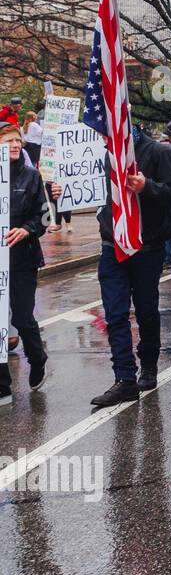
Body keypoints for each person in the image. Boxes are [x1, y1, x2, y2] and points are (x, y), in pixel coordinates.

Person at [84, 126, 171, 407]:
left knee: (146, 310)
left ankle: (149, 365)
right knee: (115, 313)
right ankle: (124, 378)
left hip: (147, 245)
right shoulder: (107, 156)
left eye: (106, 133)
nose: (103, 139)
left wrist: (147, 187)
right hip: (112, 244)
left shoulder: (158, 151)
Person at [0, 121, 49, 407]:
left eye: (17, 140)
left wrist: (27, 229)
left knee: (21, 317)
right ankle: (3, 384)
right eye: (8, 141)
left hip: (23, 258)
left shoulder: (31, 177)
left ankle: (37, 356)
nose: (16, 145)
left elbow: (43, 217)